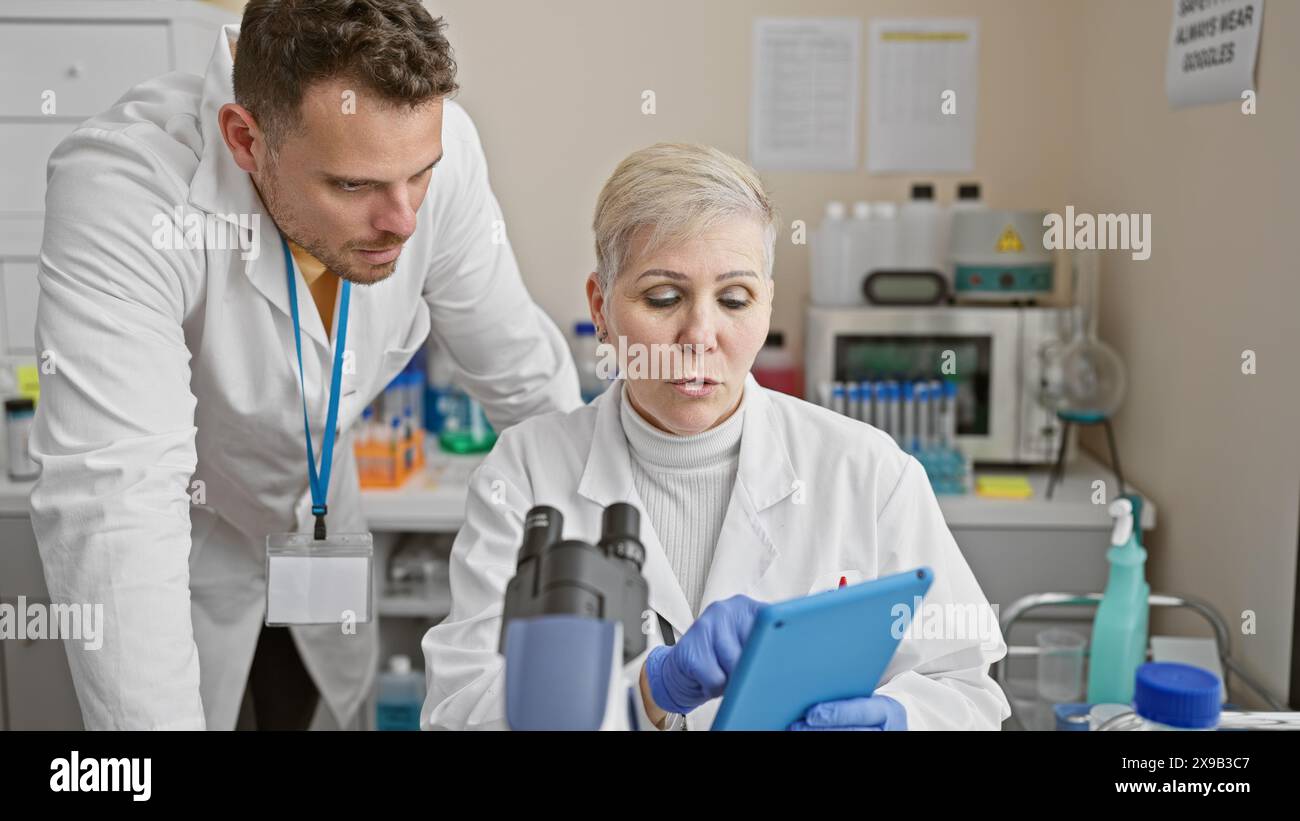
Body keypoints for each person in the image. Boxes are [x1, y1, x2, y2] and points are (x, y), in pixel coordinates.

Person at [29, 0, 579, 730]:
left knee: (326, 708)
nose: (404, 220)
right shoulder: (125, 193)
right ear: (245, 139)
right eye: (353, 186)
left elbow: (525, 380)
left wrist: (600, 570)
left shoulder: (429, 159)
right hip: (188, 536)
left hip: (323, 516)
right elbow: (114, 498)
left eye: (421, 175)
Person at [422, 143, 1011, 730]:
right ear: (601, 309)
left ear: (767, 304)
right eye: (663, 297)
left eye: (735, 299)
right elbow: (459, 710)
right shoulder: (525, 473)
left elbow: (966, 688)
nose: (700, 333)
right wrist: (649, 688)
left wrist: (899, 723)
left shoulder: (869, 472)